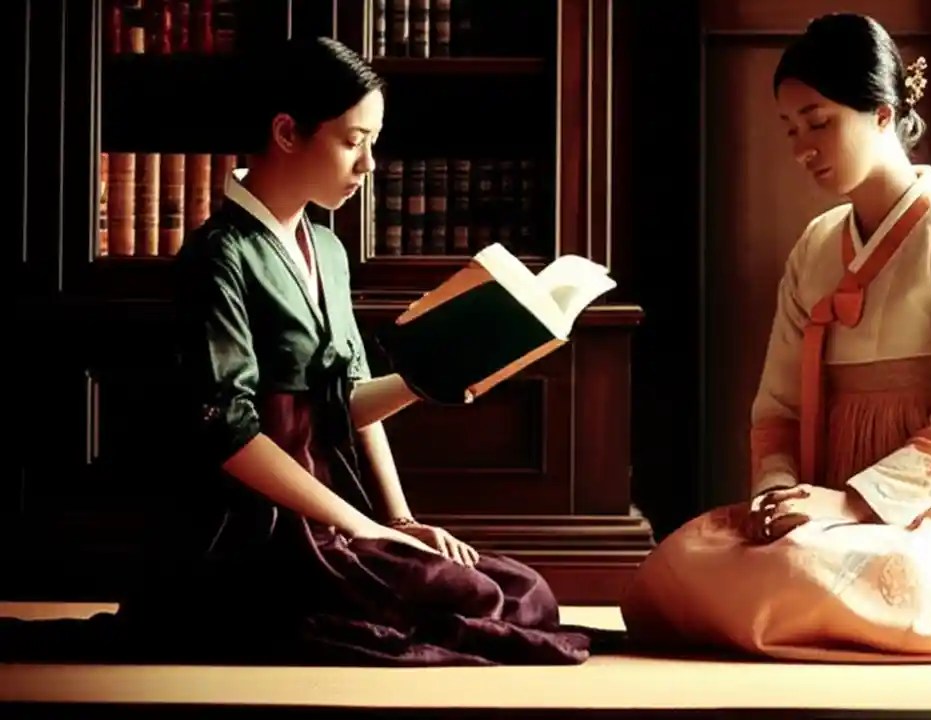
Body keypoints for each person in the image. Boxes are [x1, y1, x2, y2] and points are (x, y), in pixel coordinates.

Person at [619, 13, 931, 662]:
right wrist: (775, 495)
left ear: (884, 115)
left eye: (819, 122)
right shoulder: (815, 248)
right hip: (827, 494)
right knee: (674, 569)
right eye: (790, 128)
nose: (802, 147)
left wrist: (851, 504)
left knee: (817, 577)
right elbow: (778, 405)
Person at [100, 36, 591, 667]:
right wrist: (365, 528)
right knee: (467, 599)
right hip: (262, 520)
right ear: (286, 132)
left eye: (373, 143)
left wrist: (403, 518)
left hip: (338, 506)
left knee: (524, 591)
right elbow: (227, 430)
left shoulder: (328, 249)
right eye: (354, 141)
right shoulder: (219, 256)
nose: (369, 165)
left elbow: (346, 402)